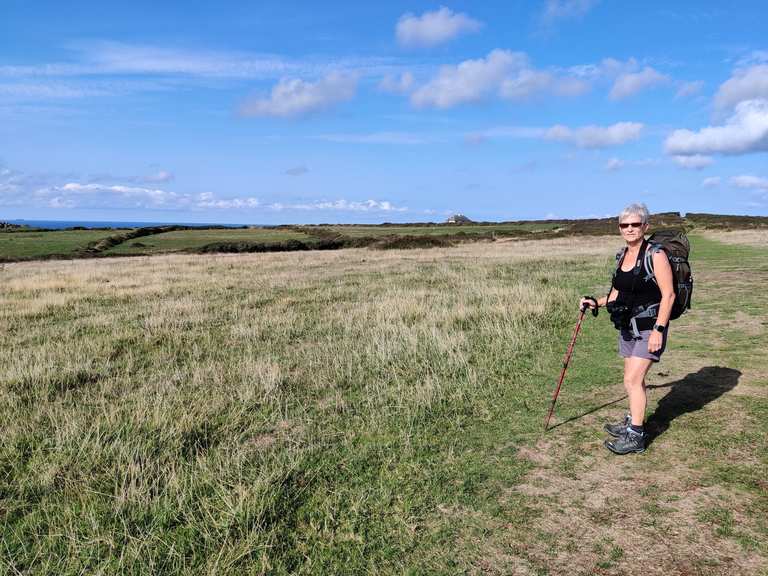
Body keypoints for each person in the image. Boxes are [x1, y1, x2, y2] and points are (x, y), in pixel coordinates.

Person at [580, 203, 675, 454]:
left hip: (650, 327)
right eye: (625, 224)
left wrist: (659, 329)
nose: (630, 228)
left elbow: (669, 295)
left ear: (645, 226)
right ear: (619, 227)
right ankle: (634, 421)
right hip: (627, 326)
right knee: (631, 380)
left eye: (635, 224)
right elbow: (617, 293)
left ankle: (636, 436)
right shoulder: (622, 255)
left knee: (633, 380)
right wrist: (596, 302)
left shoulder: (656, 255)